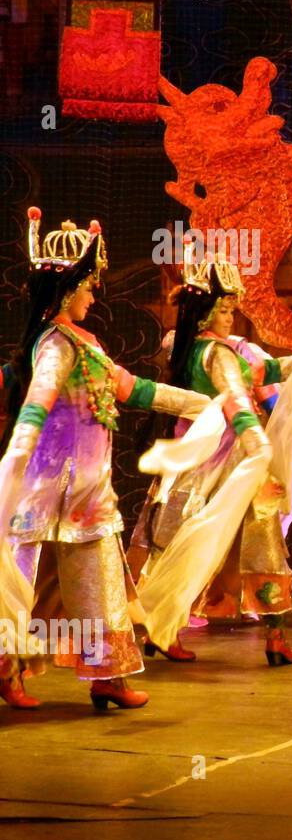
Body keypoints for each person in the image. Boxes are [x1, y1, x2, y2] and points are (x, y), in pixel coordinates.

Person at [0, 208, 208, 710]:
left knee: (99, 581)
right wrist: (20, 449)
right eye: (89, 286)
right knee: (16, 584)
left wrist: (204, 405)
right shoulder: (55, 345)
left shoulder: (85, 344)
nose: (94, 295)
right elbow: (39, 397)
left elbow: (135, 389)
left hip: (86, 493)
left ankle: (107, 677)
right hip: (42, 485)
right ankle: (7, 670)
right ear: (69, 290)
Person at [130, 241, 292, 666]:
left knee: (178, 544)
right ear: (208, 312)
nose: (232, 316)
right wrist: (255, 441)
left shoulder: (191, 349)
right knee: (262, 545)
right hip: (233, 462)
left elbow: (253, 374)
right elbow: (236, 397)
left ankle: (161, 627)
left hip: (194, 465)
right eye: (226, 310)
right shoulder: (220, 353)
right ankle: (275, 635)